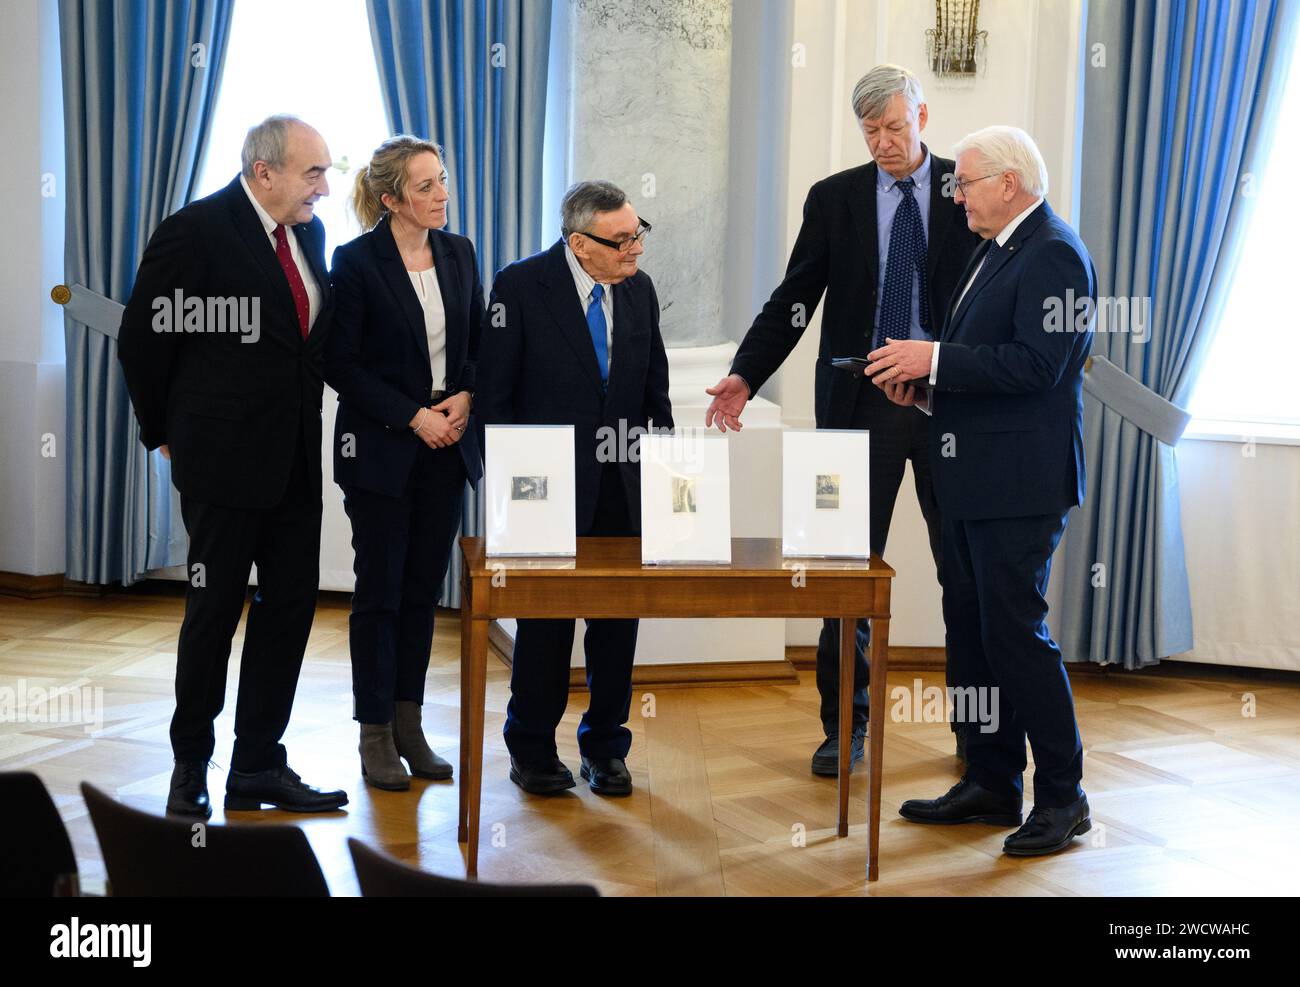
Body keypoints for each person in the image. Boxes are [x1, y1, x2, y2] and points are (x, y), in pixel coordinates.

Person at [703, 64, 980, 775]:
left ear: (921, 118)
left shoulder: (965, 188)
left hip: (954, 404)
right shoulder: (836, 199)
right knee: (840, 573)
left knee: (969, 573)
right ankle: (843, 728)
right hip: (863, 408)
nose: (882, 142)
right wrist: (745, 373)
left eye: (893, 127)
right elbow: (795, 298)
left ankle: (980, 735)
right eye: (869, 130)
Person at [867, 125, 1095, 856]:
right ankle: (993, 779)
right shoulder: (998, 249)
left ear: (1007, 183)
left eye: (964, 183)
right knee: (973, 632)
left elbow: (1038, 367)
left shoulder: (1055, 251)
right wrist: (927, 393)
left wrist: (933, 355)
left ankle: (1065, 795)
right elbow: (989, 371)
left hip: (1020, 485)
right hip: (976, 475)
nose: (954, 194)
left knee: (1016, 636)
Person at [117, 115, 347, 816]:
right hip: (220, 461)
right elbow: (142, 339)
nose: (325, 190)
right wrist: (165, 431)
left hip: (294, 464)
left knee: (289, 612)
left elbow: (306, 344)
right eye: (313, 173)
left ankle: (255, 765)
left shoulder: (308, 233)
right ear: (263, 171)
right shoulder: (195, 231)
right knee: (213, 613)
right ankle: (191, 767)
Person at [477, 181, 673, 797]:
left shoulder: (638, 290)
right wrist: (508, 483)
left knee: (617, 621)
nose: (636, 248)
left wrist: (665, 480)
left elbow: (654, 395)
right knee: (546, 622)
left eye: (640, 232)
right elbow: (496, 394)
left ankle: (606, 746)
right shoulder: (520, 285)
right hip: (545, 486)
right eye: (623, 239)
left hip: (623, 485)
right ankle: (532, 747)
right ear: (580, 243)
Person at [323, 136, 483, 791]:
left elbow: (478, 340)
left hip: (448, 447)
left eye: (442, 179)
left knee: (422, 592)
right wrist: (412, 415)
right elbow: (340, 363)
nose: (442, 194)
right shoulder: (355, 261)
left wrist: (466, 396)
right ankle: (375, 732)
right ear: (391, 199)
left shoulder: (460, 251)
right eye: (425, 186)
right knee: (380, 594)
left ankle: (410, 723)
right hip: (383, 450)